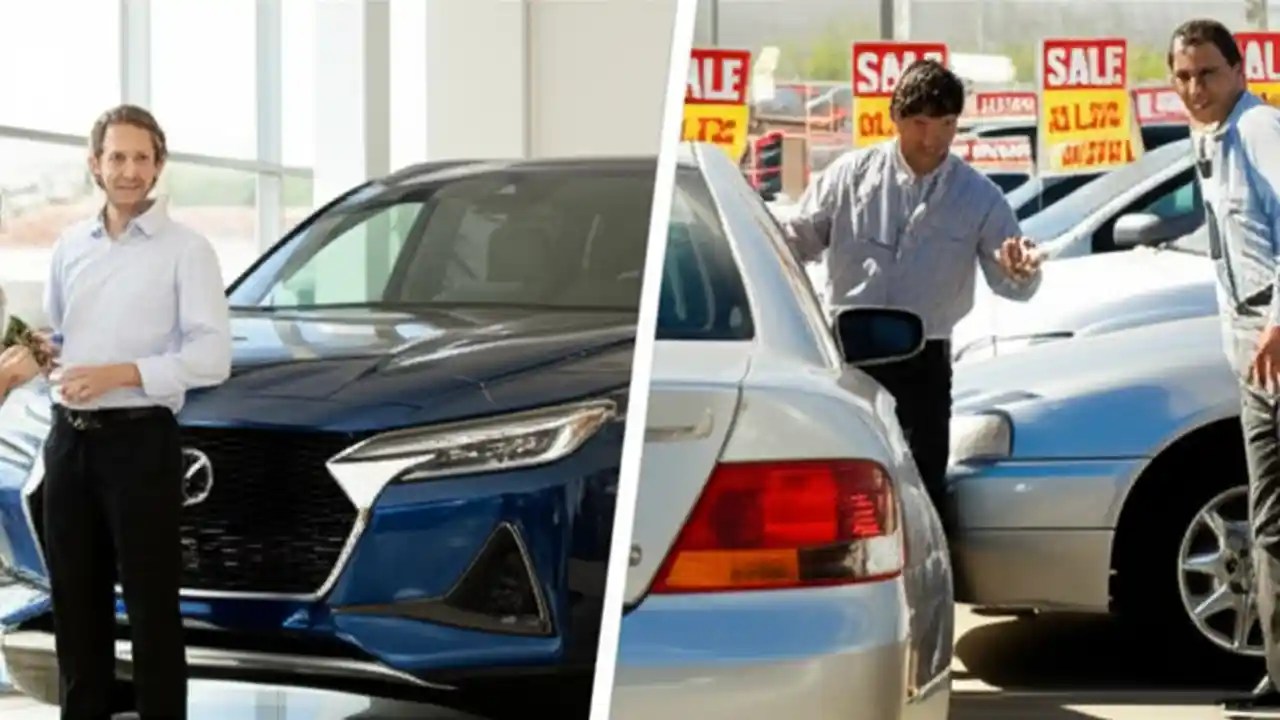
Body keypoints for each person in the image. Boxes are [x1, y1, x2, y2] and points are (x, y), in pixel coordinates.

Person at [780, 59, 1043, 511]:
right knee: (848, 486)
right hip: (849, 354)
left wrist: (1021, 271)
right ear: (895, 117)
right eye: (920, 123)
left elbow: (1013, 283)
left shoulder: (979, 195)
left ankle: (925, 577)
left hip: (925, 364)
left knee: (921, 493)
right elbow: (795, 244)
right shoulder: (850, 176)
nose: (932, 139)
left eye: (945, 124)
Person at [41, 104, 232, 720]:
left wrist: (121, 374)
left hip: (141, 444)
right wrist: (38, 356)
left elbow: (212, 357)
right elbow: (60, 336)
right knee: (75, 606)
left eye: (141, 158)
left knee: (152, 608)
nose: (129, 171)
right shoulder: (70, 245)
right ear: (95, 165)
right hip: (68, 445)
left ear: (158, 165)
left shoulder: (188, 250)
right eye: (116, 157)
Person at [1167, 19, 1280, 718]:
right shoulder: (1209, 138)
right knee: (1268, 520)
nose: (1194, 88)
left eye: (1207, 73)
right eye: (1182, 76)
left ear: (1239, 70)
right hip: (1252, 355)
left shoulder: (1261, 130)